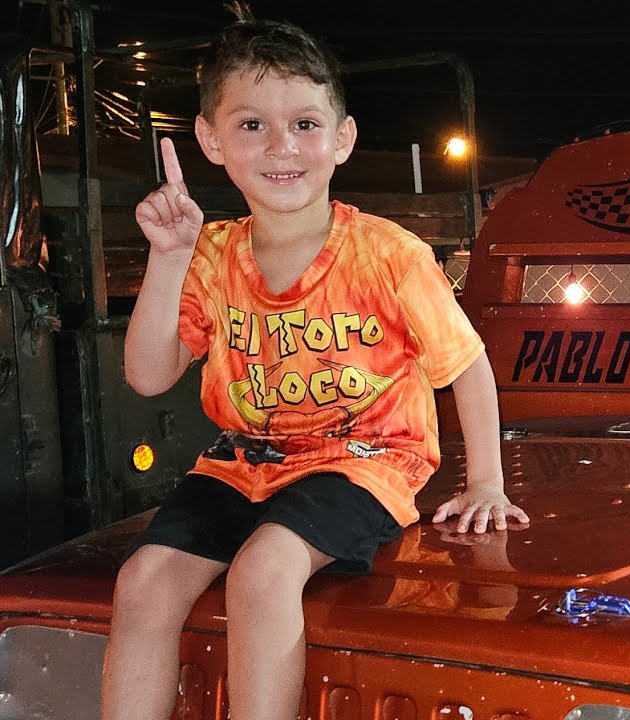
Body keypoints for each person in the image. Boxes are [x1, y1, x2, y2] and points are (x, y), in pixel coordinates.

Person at [101, 17, 528, 720]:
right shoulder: (208, 254)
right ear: (210, 139)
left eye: (304, 123)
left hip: (362, 461)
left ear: (342, 138)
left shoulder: (388, 255)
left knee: (264, 571)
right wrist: (169, 257)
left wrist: (485, 481)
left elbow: (468, 364)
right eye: (251, 125)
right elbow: (149, 375)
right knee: (144, 579)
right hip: (242, 463)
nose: (282, 146)